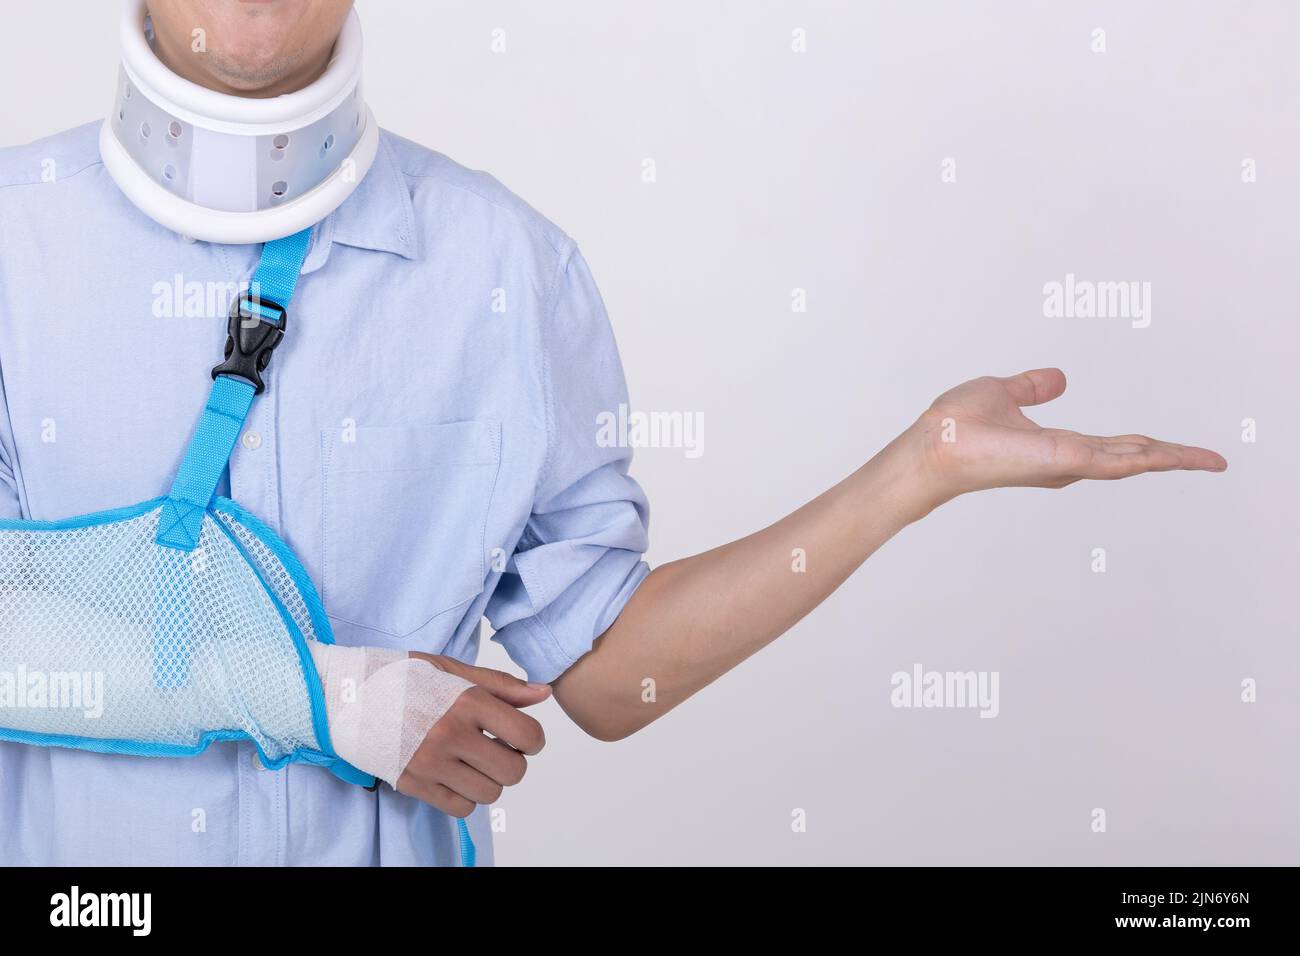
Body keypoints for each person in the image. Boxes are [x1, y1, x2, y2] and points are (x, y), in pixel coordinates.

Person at [0, 0, 1225, 866]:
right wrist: (333, 698)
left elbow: (607, 676)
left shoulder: (503, 267)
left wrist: (916, 472)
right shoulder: (13, 244)